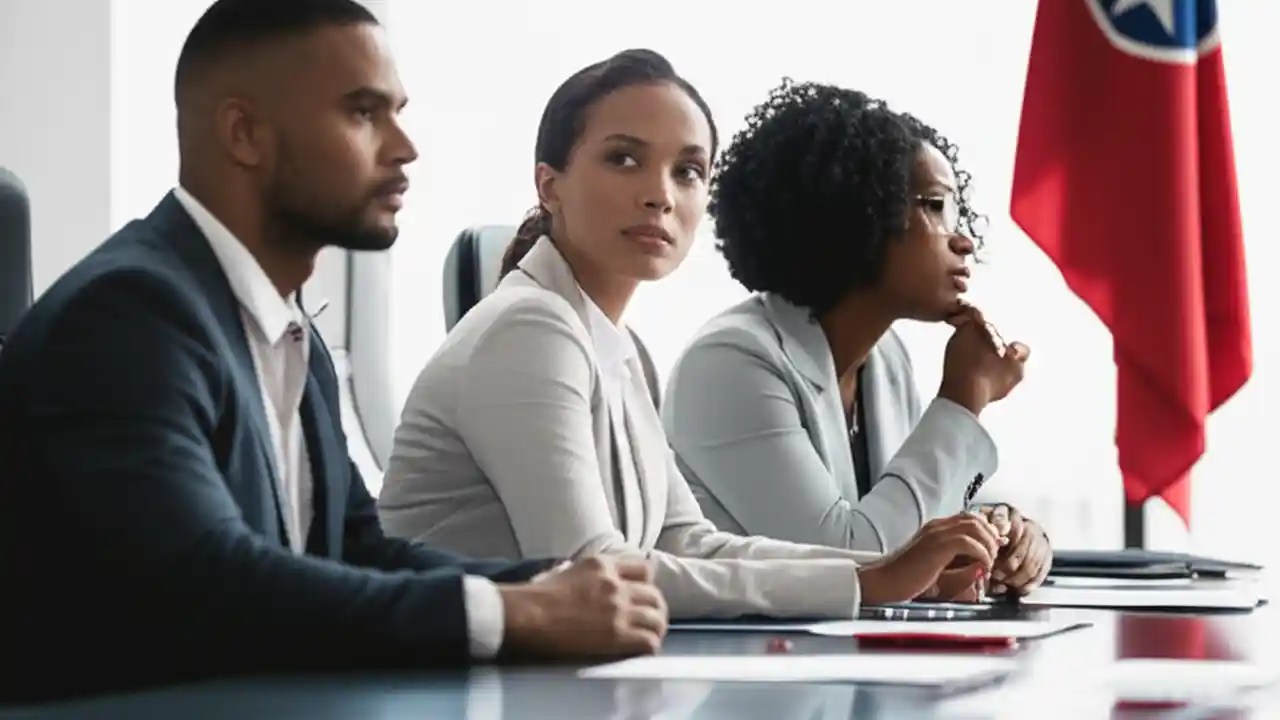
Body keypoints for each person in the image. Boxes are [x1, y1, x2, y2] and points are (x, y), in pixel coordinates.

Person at [0, 0, 665, 700]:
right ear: (245, 133)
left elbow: (352, 547)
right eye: (363, 114)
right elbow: (200, 583)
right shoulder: (131, 314)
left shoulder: (293, 334)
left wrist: (551, 584)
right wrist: (511, 613)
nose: (404, 147)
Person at [378, 49, 1005, 621]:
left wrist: (885, 574)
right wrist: (869, 582)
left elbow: (686, 540)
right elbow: (594, 572)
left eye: (687, 171)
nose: (658, 194)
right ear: (550, 185)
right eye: (624, 159)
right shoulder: (530, 328)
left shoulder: (618, 347)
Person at [662, 79, 1051, 595]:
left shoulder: (885, 360)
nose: (963, 239)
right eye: (934, 206)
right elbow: (857, 560)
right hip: (751, 666)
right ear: (855, 215)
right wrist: (964, 398)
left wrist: (999, 539)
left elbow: (912, 529)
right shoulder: (731, 362)